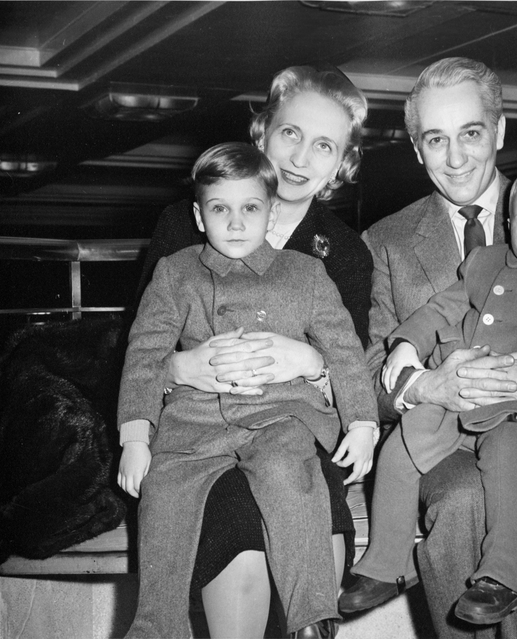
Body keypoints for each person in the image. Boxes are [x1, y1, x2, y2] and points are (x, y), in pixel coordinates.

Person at [347, 57, 517, 639]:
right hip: (445, 431)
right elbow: (368, 372)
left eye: (471, 134)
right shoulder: (385, 242)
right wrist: (425, 385)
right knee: (455, 496)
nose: (455, 159)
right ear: (417, 149)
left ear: (499, 131)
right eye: (435, 140)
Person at [136, 66, 374, 639]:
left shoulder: (343, 253)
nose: (300, 158)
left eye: (324, 146)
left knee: (304, 508)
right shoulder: (182, 229)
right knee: (233, 531)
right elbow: (135, 350)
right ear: (262, 132)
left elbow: (350, 363)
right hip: (197, 431)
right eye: (291, 134)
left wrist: (310, 362)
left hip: (293, 433)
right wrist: (182, 368)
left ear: (342, 163)